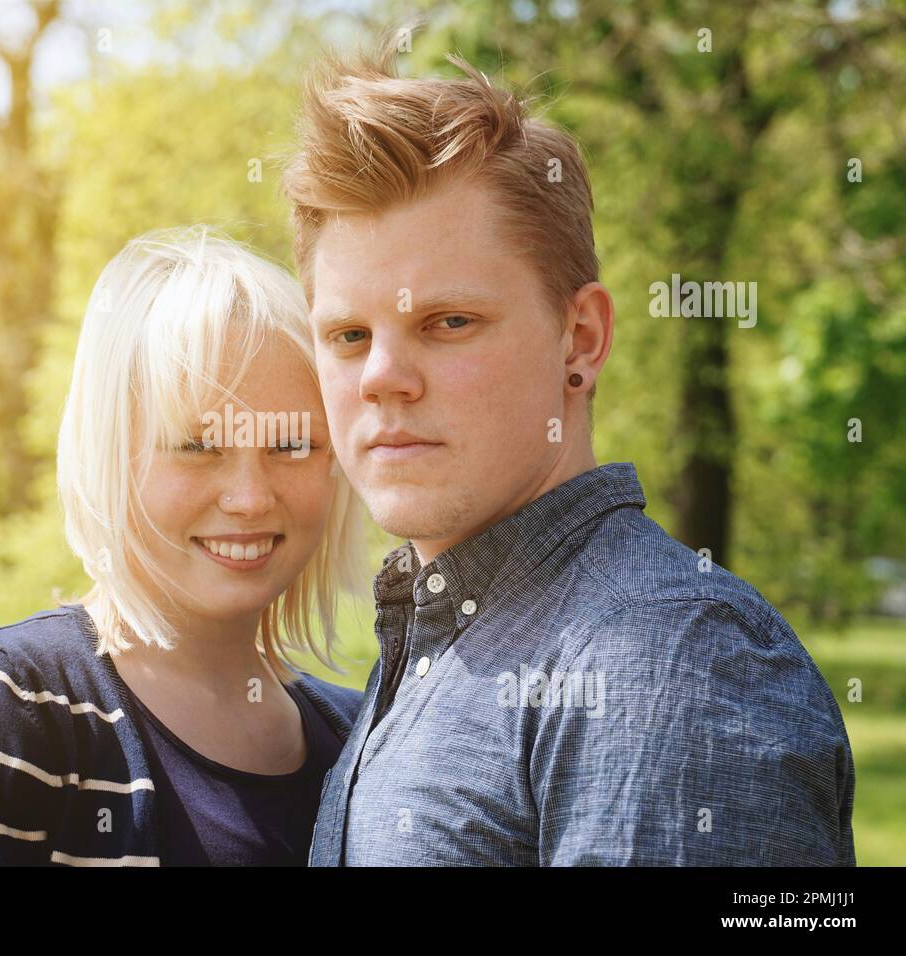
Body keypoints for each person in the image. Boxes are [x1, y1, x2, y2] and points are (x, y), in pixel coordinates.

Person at [280, 45, 856, 865]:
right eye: (348, 335)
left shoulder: (668, 663)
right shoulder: (428, 645)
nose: (382, 378)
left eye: (449, 322)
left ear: (579, 339)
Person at [0, 226, 368, 866]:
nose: (250, 497)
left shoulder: (358, 740)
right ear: (113, 456)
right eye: (197, 445)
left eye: (292, 444)